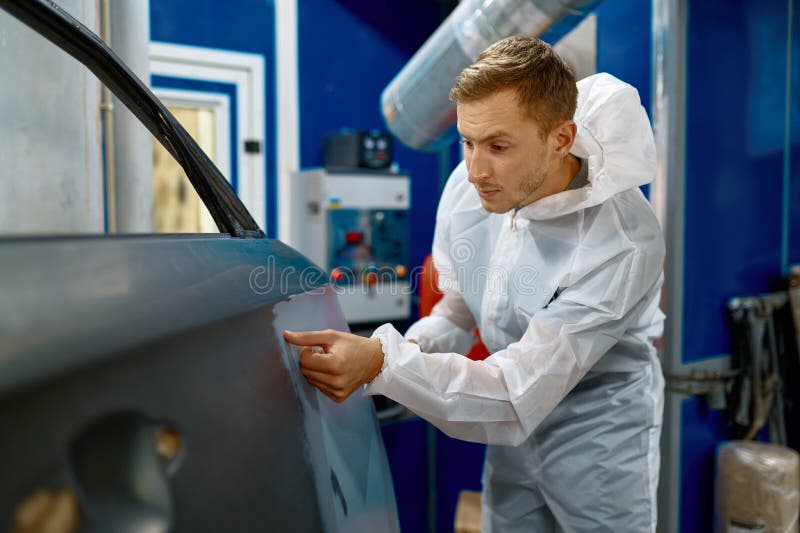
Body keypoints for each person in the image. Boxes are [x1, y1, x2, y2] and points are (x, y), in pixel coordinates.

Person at [285, 35, 665, 532]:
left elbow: (515, 395)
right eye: (467, 141)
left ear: (560, 139)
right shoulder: (475, 190)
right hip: (507, 432)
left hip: (597, 436)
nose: (474, 170)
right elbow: (458, 310)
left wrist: (383, 364)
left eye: (498, 146)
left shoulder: (620, 243)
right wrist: (400, 352)